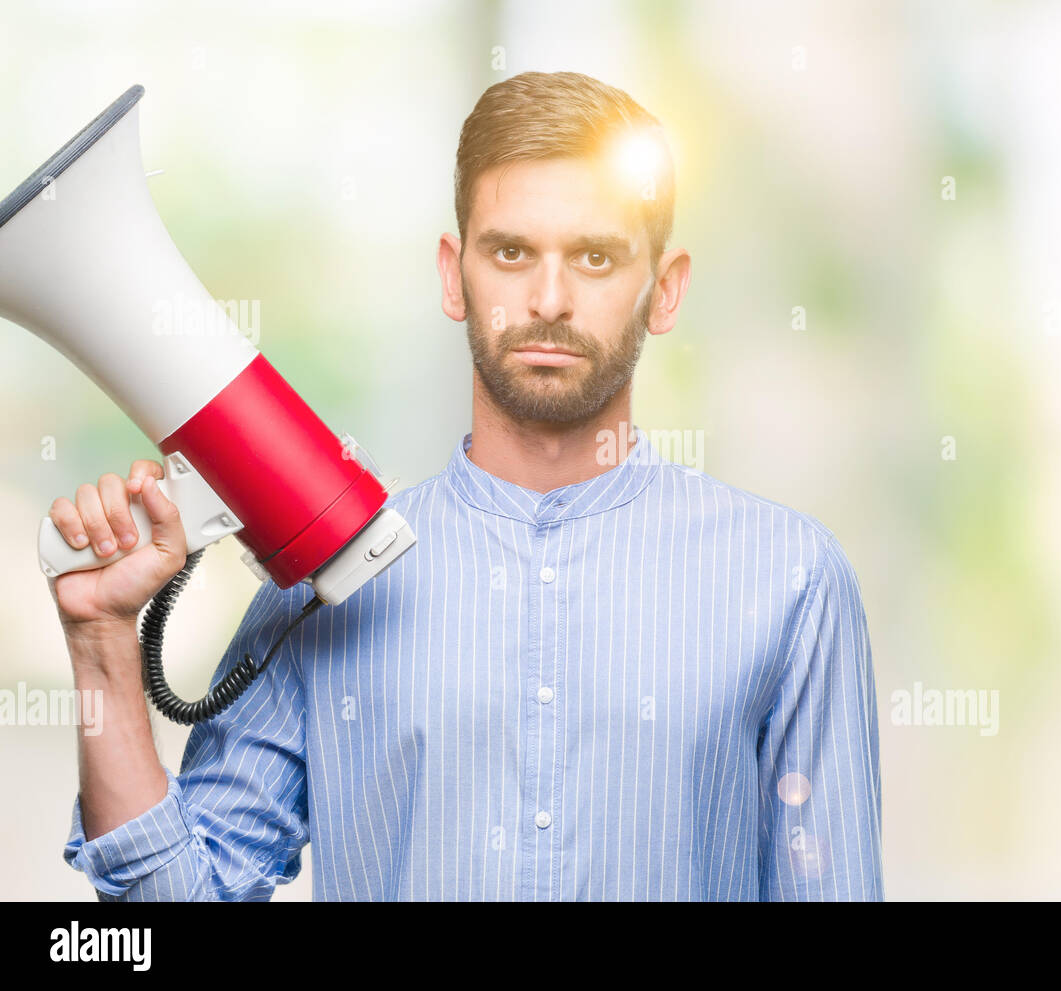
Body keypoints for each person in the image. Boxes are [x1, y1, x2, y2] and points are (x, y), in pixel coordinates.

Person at [51, 70, 883, 901]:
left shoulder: (789, 580)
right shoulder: (325, 582)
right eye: (511, 252)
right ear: (455, 276)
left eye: (596, 257)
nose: (549, 300)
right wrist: (101, 644)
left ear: (664, 290)